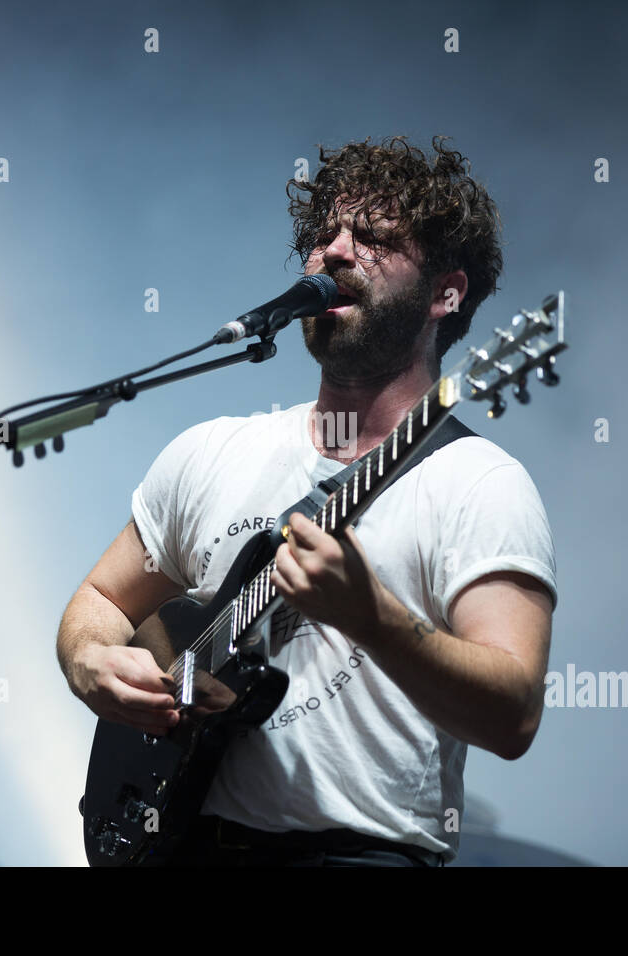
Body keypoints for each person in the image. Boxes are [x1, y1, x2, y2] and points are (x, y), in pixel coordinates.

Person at [57, 135, 557, 866]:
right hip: (181, 843)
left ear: (446, 293)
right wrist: (91, 661)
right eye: (325, 237)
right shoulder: (214, 451)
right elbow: (101, 597)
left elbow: (513, 714)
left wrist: (375, 619)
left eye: (376, 239)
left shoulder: (480, 483)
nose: (335, 252)